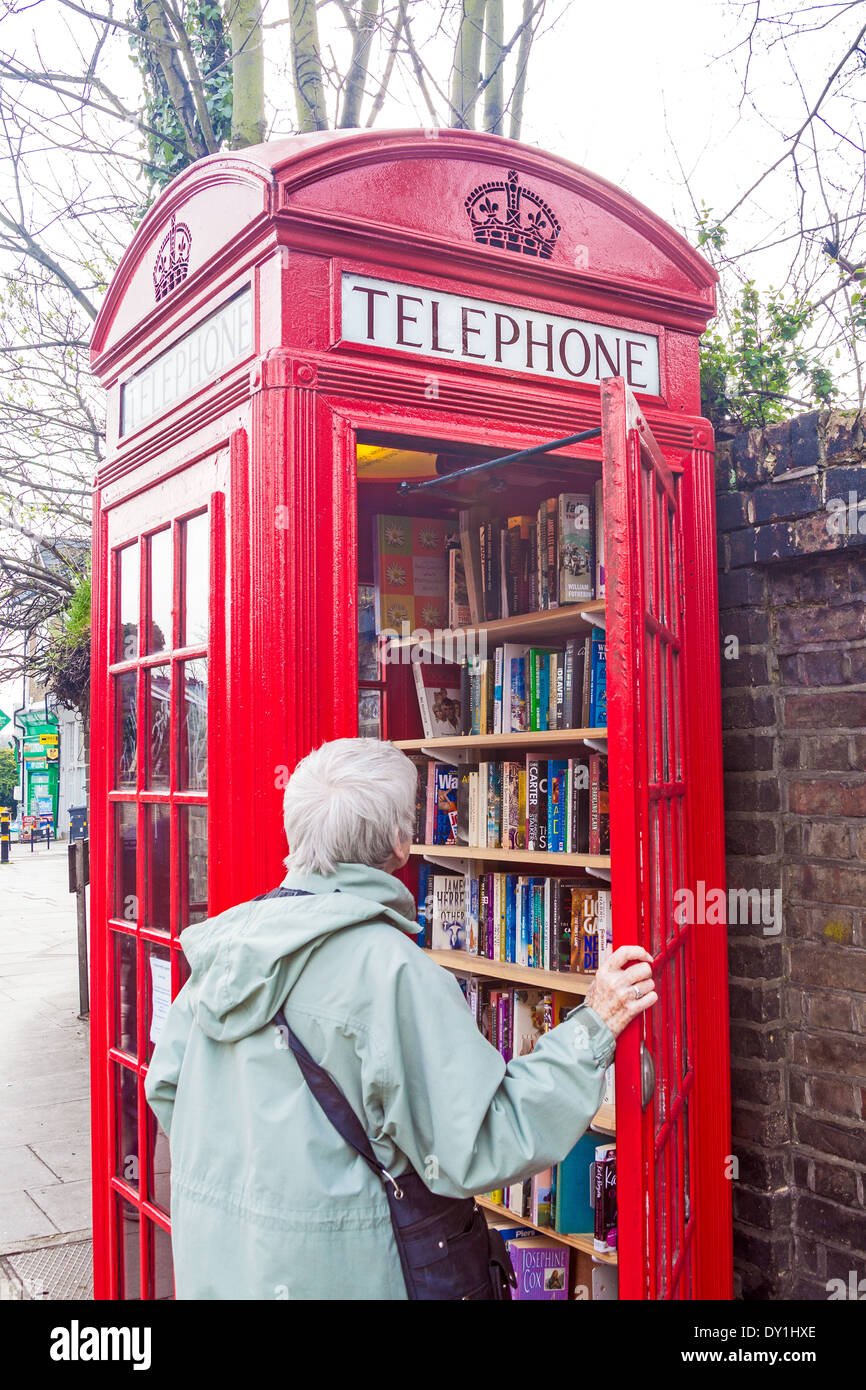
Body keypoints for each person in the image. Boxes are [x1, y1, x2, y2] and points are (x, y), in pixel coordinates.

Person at [144, 738, 657, 1299]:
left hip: (223, 1268)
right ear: (400, 842)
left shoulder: (224, 945)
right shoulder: (392, 971)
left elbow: (166, 1089)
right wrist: (595, 1024)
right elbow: (483, 1140)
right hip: (350, 1274)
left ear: (295, 830)